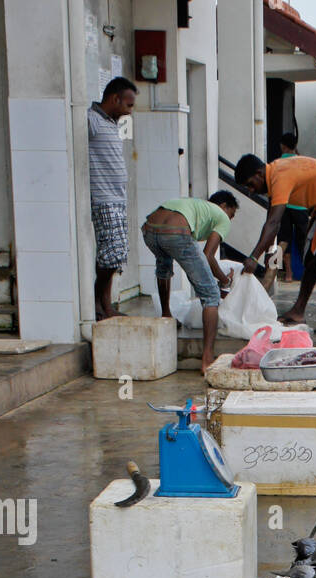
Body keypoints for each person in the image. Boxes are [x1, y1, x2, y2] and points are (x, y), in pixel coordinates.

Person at [234, 152, 316, 332]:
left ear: (259, 173)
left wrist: (253, 257)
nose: (251, 190)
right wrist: (269, 253)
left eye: (250, 185)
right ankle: (298, 311)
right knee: (311, 259)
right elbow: (271, 222)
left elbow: (274, 223)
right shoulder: (273, 176)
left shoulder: (280, 176)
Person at [142, 191, 239, 373]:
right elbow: (208, 255)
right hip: (176, 232)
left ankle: (166, 316)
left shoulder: (197, 207)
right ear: (224, 206)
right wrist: (225, 279)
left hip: (149, 229)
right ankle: (207, 359)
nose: (229, 220)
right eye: (231, 214)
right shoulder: (221, 217)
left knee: (163, 267)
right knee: (211, 295)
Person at [87, 77, 137, 320]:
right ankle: (99, 304)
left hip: (118, 198)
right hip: (103, 197)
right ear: (115, 99)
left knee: (117, 255)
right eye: (128, 105)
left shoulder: (111, 123)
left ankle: (105, 305)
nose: (129, 112)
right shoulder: (92, 120)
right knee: (110, 255)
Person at [278, 132, 310, 284]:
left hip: (283, 205)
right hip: (301, 205)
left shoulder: (278, 163)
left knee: (283, 239)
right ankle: (307, 271)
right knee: (303, 239)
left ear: (282, 146)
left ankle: (287, 273)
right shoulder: (302, 162)